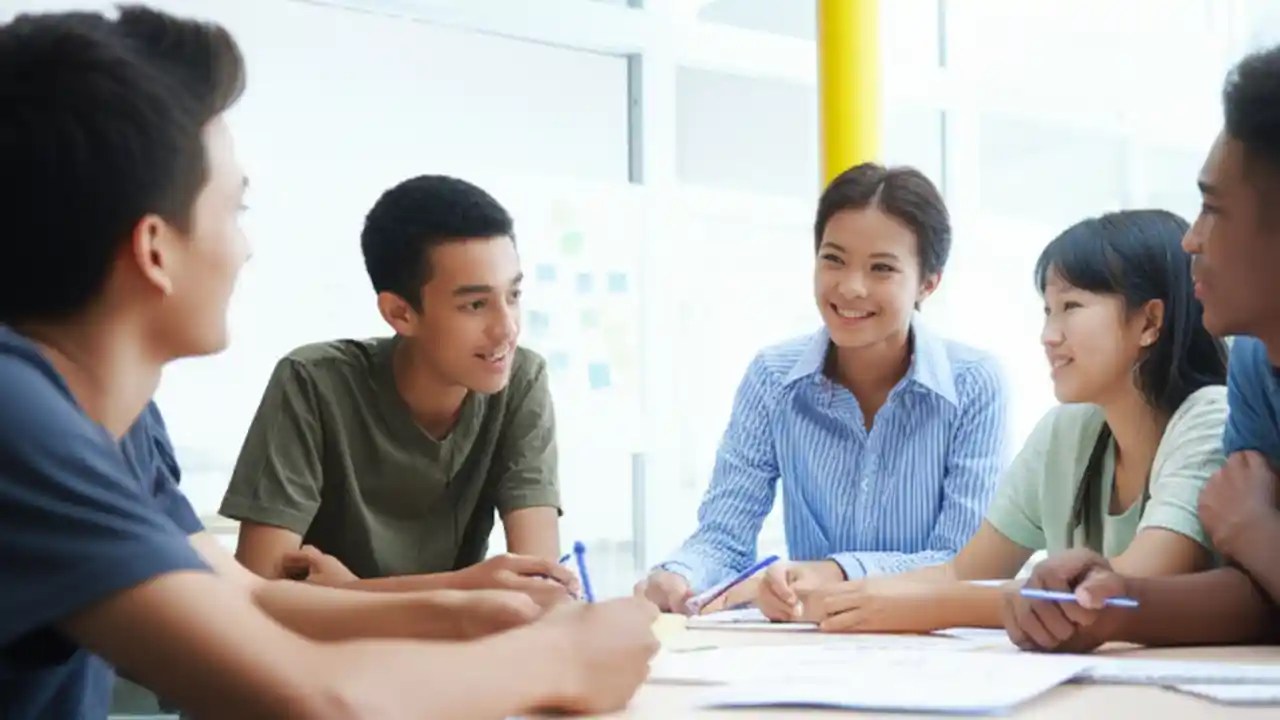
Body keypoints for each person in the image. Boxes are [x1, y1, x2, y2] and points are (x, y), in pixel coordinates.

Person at [0, 7, 656, 718]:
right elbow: (316, 699)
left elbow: (245, 596)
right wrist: (558, 660)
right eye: (235, 209)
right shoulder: (17, 422)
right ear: (155, 250)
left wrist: (466, 610)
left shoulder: (118, 424)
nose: (245, 250)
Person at [777, 210, 1228, 633]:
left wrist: (923, 608)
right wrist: (836, 593)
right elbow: (963, 570)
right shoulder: (1065, 433)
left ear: (1149, 321)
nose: (1049, 336)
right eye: (1047, 311)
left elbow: (1117, 593)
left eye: (1071, 306)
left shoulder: (1209, 418)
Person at [998, 44, 1280, 653]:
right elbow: (1262, 600)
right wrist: (1109, 604)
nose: (1190, 240)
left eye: (1213, 208)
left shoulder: (1204, 415)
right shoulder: (1258, 367)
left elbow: (1262, 560)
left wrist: (1260, 533)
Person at [635, 163, 1010, 614]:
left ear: (928, 283)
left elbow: (961, 563)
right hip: (813, 645)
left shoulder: (972, 384)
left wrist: (833, 572)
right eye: (833, 259)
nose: (851, 287)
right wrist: (680, 574)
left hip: (935, 650)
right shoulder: (773, 378)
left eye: (882, 269)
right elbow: (724, 537)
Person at [220, 174, 576, 605]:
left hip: (450, 651)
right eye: (476, 305)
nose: (508, 328)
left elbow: (540, 591)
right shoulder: (312, 382)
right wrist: (469, 587)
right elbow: (258, 590)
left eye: (514, 294)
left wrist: (351, 591)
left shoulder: (521, 380)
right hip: (324, 656)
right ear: (400, 313)